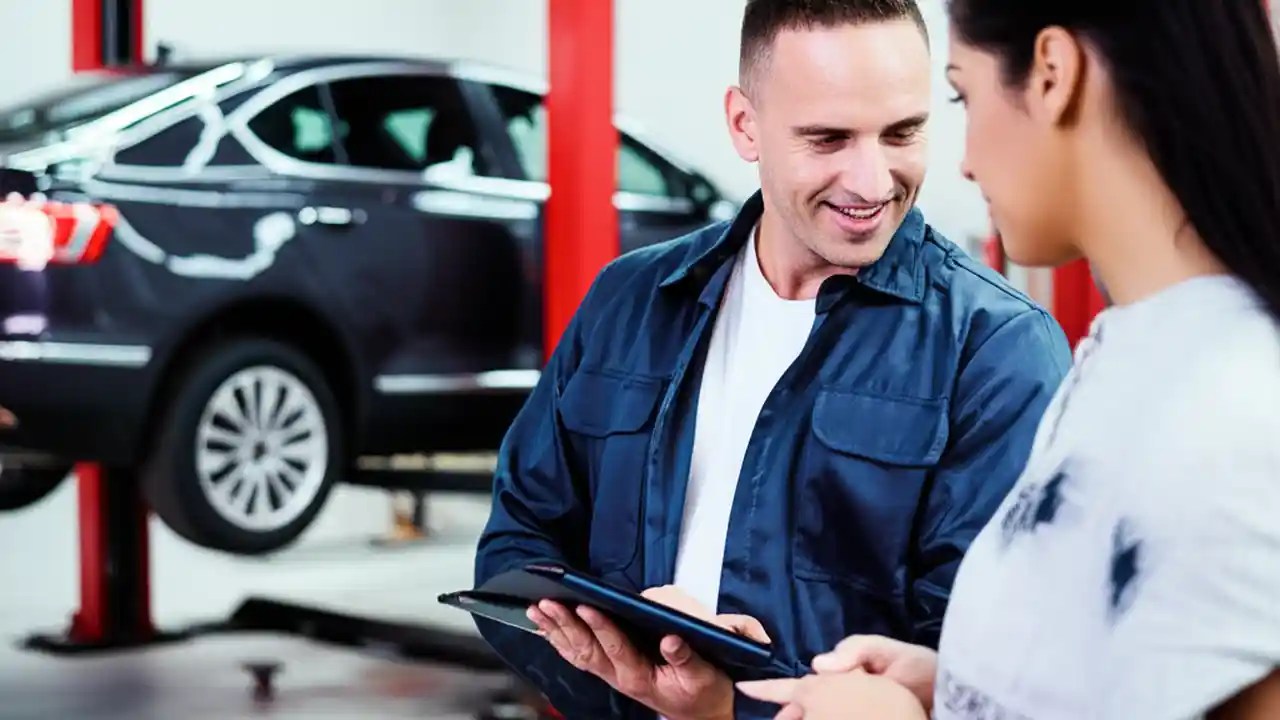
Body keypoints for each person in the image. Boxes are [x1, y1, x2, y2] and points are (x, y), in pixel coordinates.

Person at [473, 1, 1071, 718]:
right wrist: (631, 679)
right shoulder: (630, 301)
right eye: (828, 138)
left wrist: (726, 709)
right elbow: (516, 547)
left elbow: (988, 672)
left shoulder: (998, 349)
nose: (873, 181)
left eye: (902, 133)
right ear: (744, 124)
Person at [740, 1, 1280, 717]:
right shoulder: (1131, 359)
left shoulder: (1236, 413)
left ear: (1053, 73)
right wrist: (955, 688)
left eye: (962, 95)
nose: (961, 162)